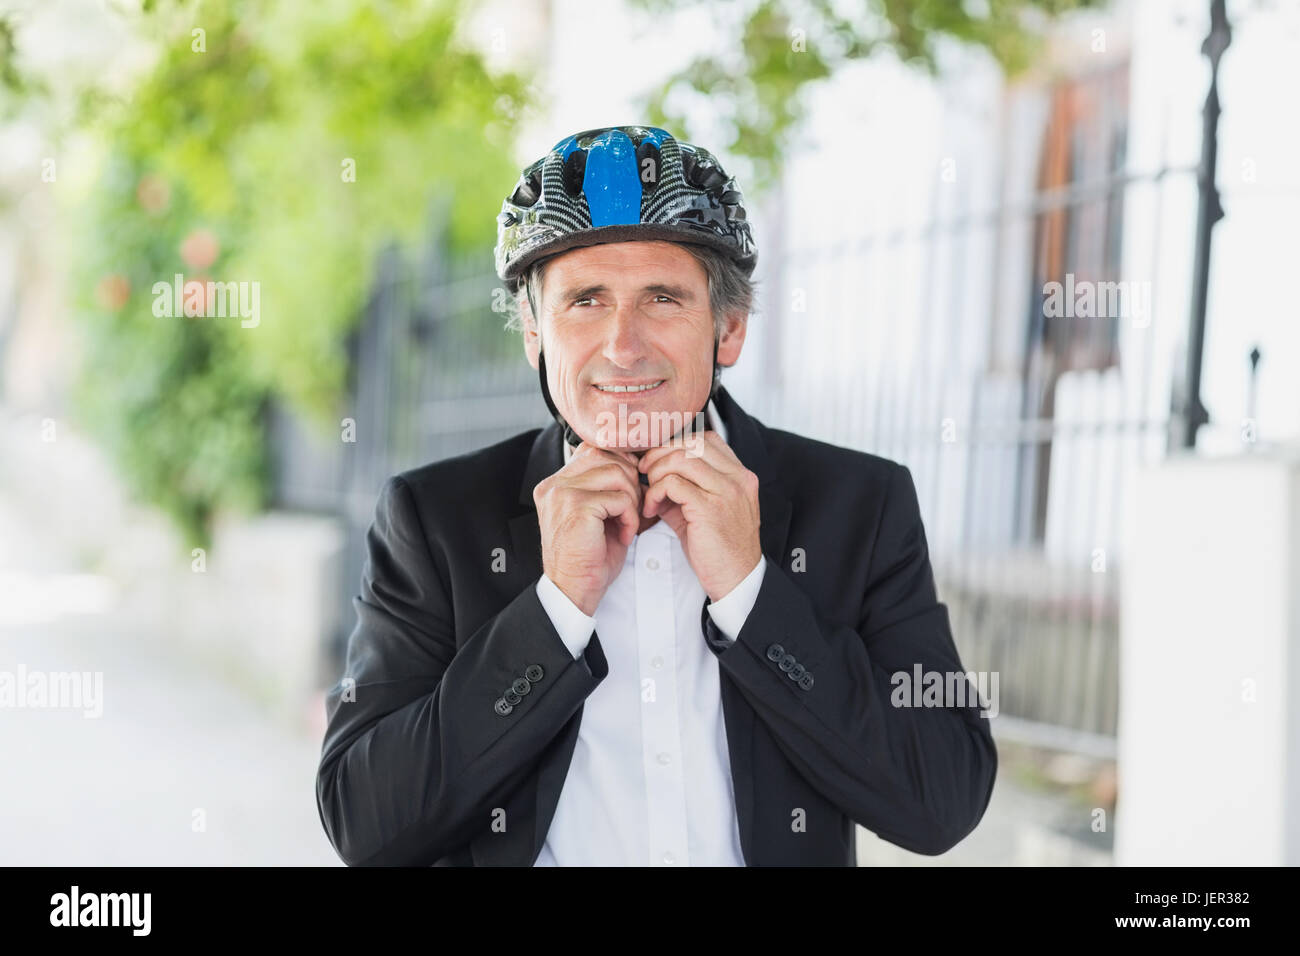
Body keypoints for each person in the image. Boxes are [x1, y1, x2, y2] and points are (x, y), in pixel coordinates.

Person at [315, 125, 997, 866]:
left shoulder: (861, 504)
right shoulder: (434, 518)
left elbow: (943, 801)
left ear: (729, 328)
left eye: (663, 298)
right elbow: (365, 821)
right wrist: (556, 610)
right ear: (534, 334)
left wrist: (750, 594)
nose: (622, 344)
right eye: (585, 301)